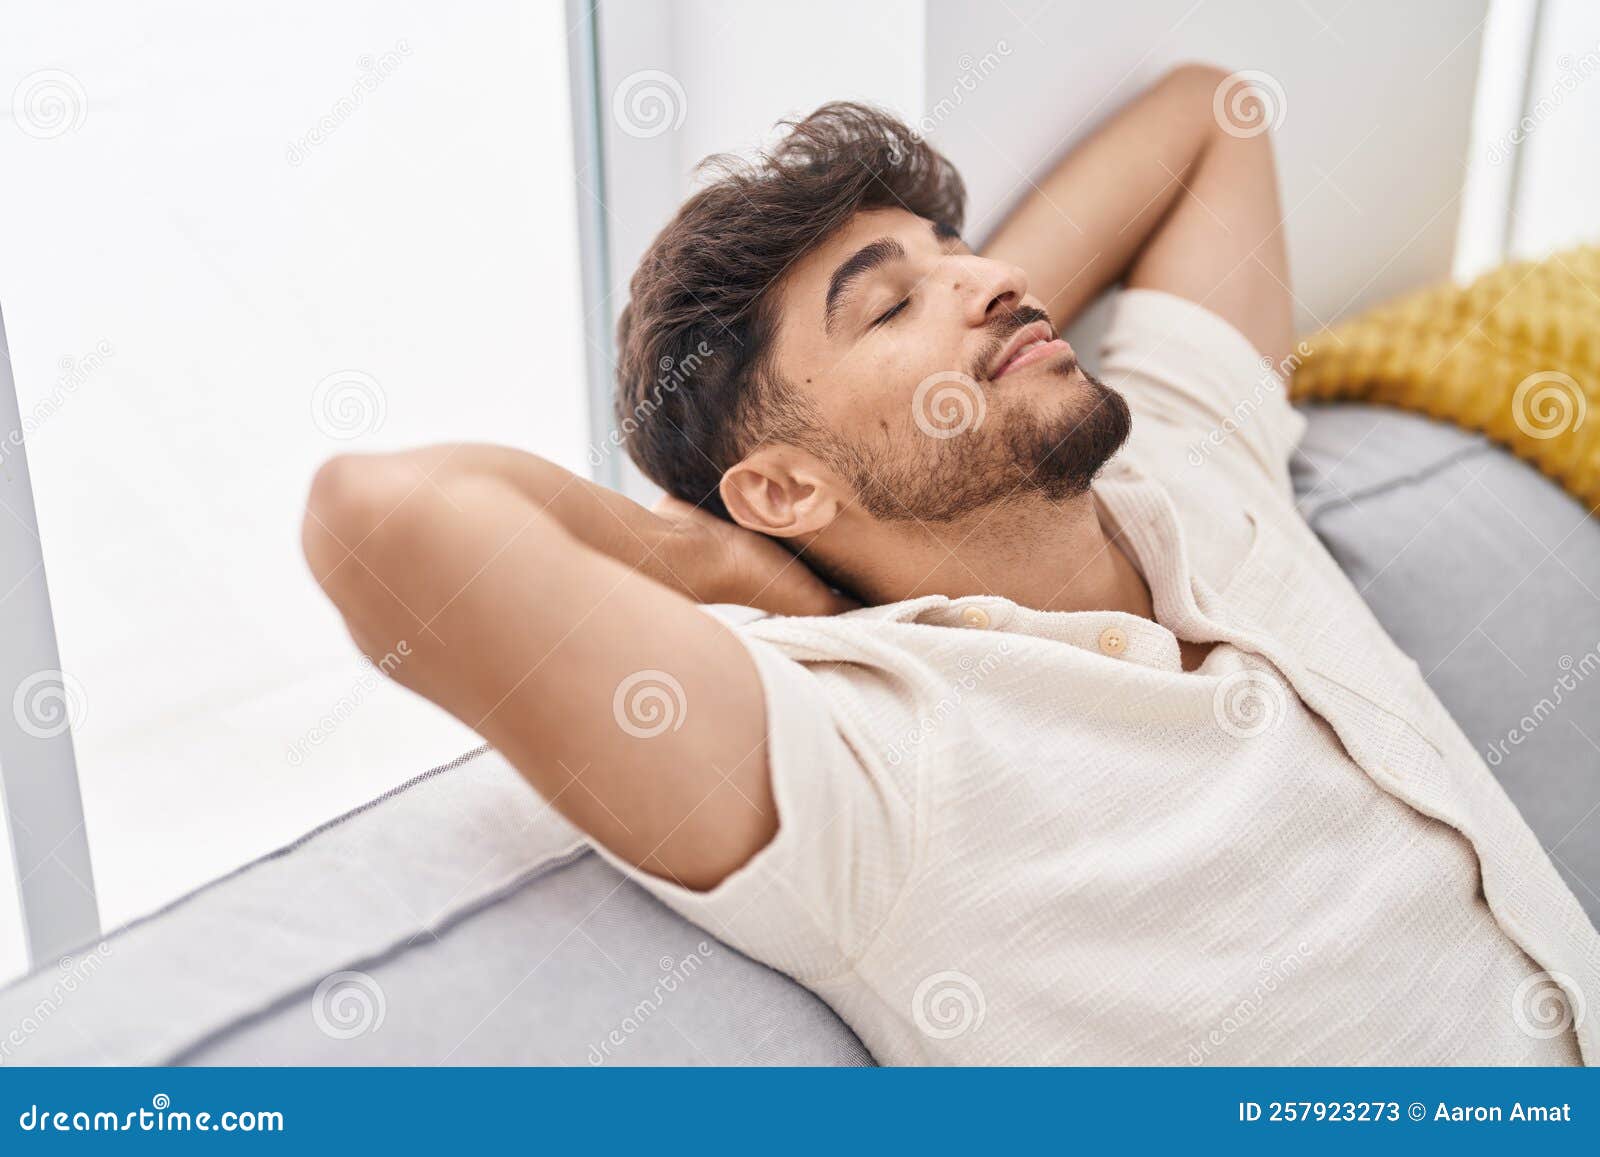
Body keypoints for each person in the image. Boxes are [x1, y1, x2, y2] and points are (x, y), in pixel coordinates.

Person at [300, 65, 1596, 1064]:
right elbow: (383, 517)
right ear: (785, 489)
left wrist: (953, 311)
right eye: (886, 303)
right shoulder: (875, 754)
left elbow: (1216, 113)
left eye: (961, 251)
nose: (999, 280)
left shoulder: (1188, 463)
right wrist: (728, 561)